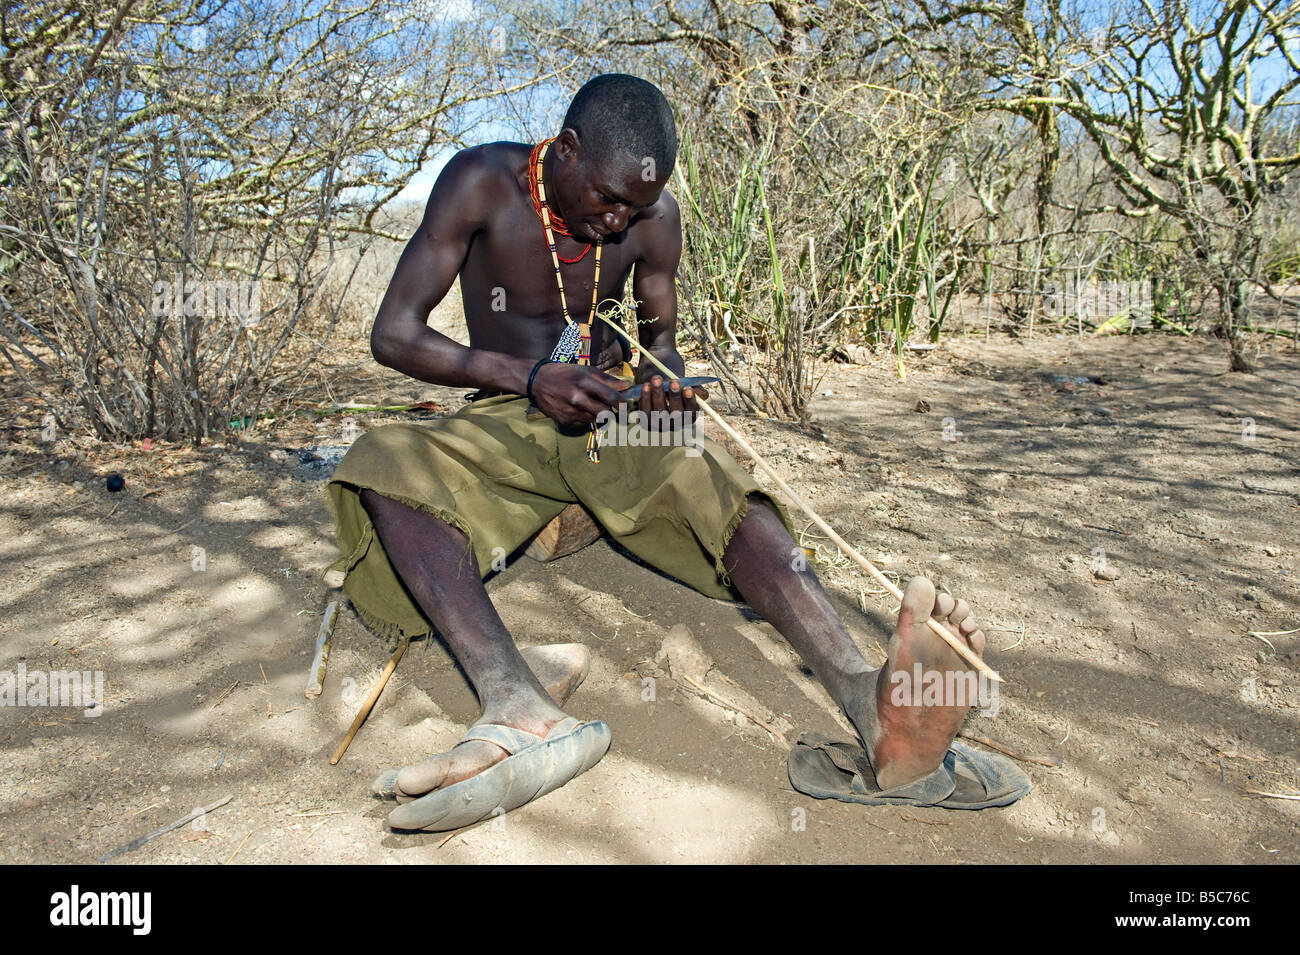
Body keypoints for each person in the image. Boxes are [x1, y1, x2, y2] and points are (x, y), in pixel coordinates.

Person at [326, 74, 1027, 832]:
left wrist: (665, 391)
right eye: (607, 200)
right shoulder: (481, 182)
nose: (621, 219)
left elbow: (660, 345)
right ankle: (516, 704)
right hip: (506, 408)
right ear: (565, 151)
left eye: (637, 205)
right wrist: (527, 376)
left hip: (611, 411)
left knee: (705, 469)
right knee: (385, 462)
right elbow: (394, 332)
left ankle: (866, 695)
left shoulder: (655, 218)